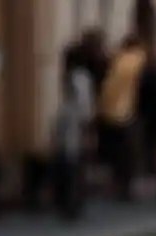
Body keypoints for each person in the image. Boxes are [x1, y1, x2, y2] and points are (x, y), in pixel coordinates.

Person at [97, 35, 147, 201]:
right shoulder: (138, 59)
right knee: (130, 154)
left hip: (110, 114)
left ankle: (118, 185)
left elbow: (107, 89)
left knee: (117, 154)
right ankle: (126, 187)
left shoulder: (116, 61)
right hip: (129, 112)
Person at [52, 43, 94, 220]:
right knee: (70, 166)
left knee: (73, 166)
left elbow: (84, 106)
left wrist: (86, 129)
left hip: (74, 126)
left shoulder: (79, 78)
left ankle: (72, 204)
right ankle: (70, 204)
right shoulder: (76, 77)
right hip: (69, 125)